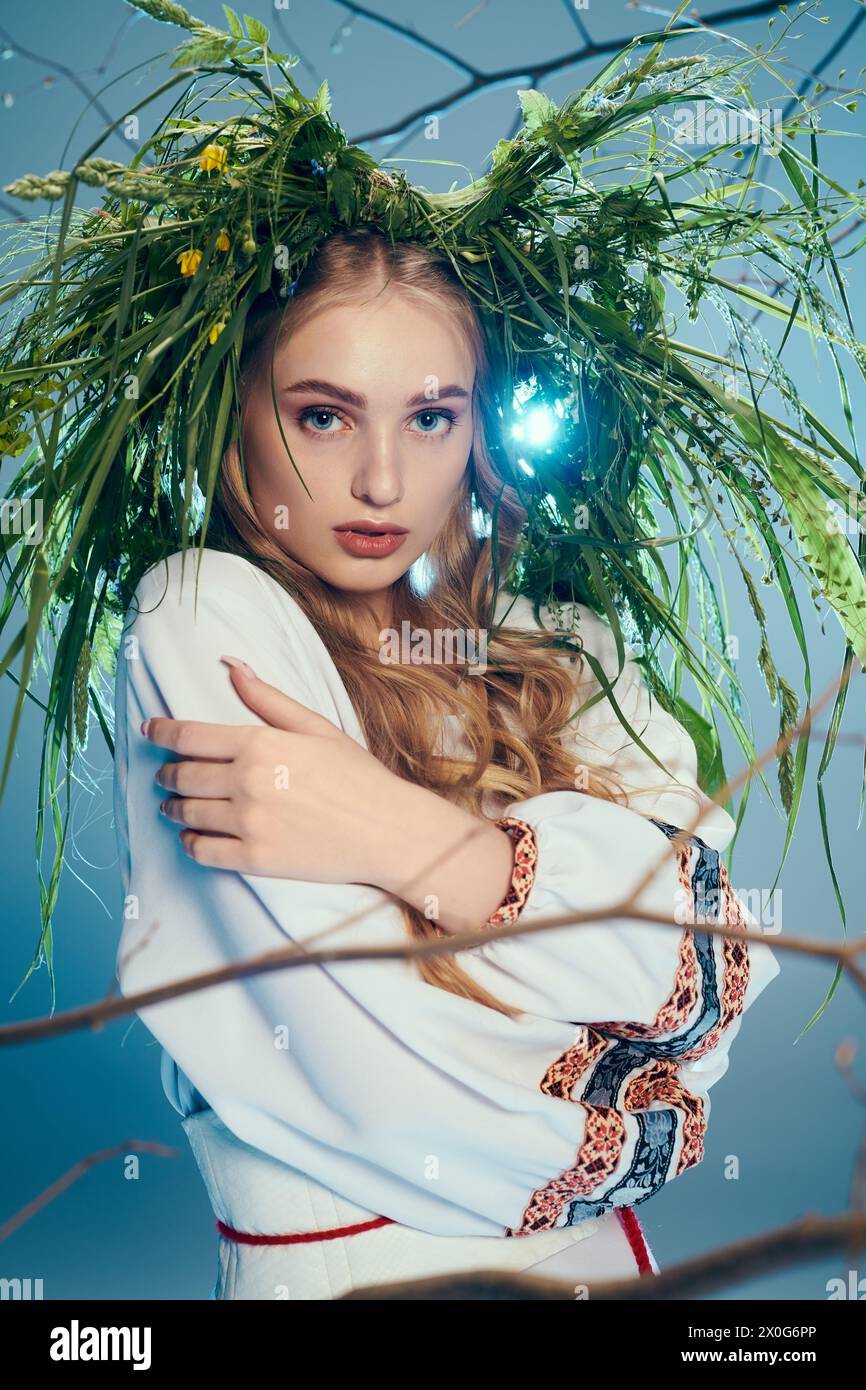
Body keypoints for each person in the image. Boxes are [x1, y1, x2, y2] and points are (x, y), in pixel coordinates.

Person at [112, 227, 780, 1299]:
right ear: (233, 409)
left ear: (476, 428)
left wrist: (392, 829)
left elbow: (707, 972)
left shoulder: (564, 652)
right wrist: (564, 953)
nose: (380, 479)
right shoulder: (203, 619)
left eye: (429, 418)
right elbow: (382, 1086)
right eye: (320, 416)